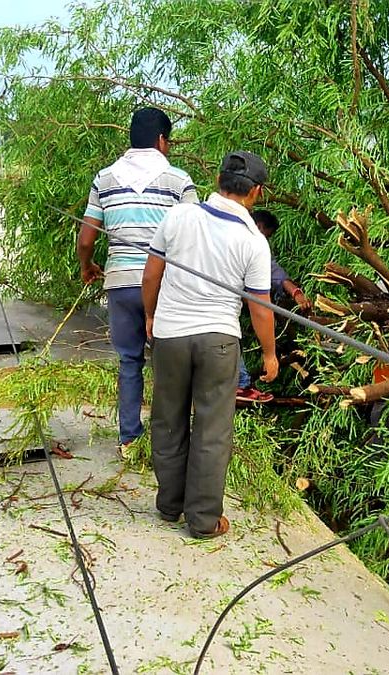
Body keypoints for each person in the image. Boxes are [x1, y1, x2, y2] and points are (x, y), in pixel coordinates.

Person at [142, 151, 278, 539]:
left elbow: (152, 273)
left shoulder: (180, 215)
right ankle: (202, 520)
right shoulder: (253, 240)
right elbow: (260, 307)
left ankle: (170, 505)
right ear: (256, 192)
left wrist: (150, 316)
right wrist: (269, 354)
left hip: (169, 335)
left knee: (167, 420)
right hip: (219, 340)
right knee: (212, 430)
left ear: (218, 180)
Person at [79, 107, 198, 455]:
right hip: (164, 285)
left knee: (129, 361)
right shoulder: (178, 180)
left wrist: (88, 266)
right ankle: (170, 441)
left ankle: (129, 438)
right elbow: (194, 235)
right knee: (169, 365)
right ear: (162, 140)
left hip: (119, 283)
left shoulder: (104, 178)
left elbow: (87, 238)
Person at [235, 209, 312, 403]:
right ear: (260, 228)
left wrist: (295, 292)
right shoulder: (245, 240)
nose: (266, 241)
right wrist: (269, 354)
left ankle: (241, 384)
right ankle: (242, 385)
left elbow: (272, 271)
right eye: (267, 236)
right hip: (217, 303)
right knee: (229, 333)